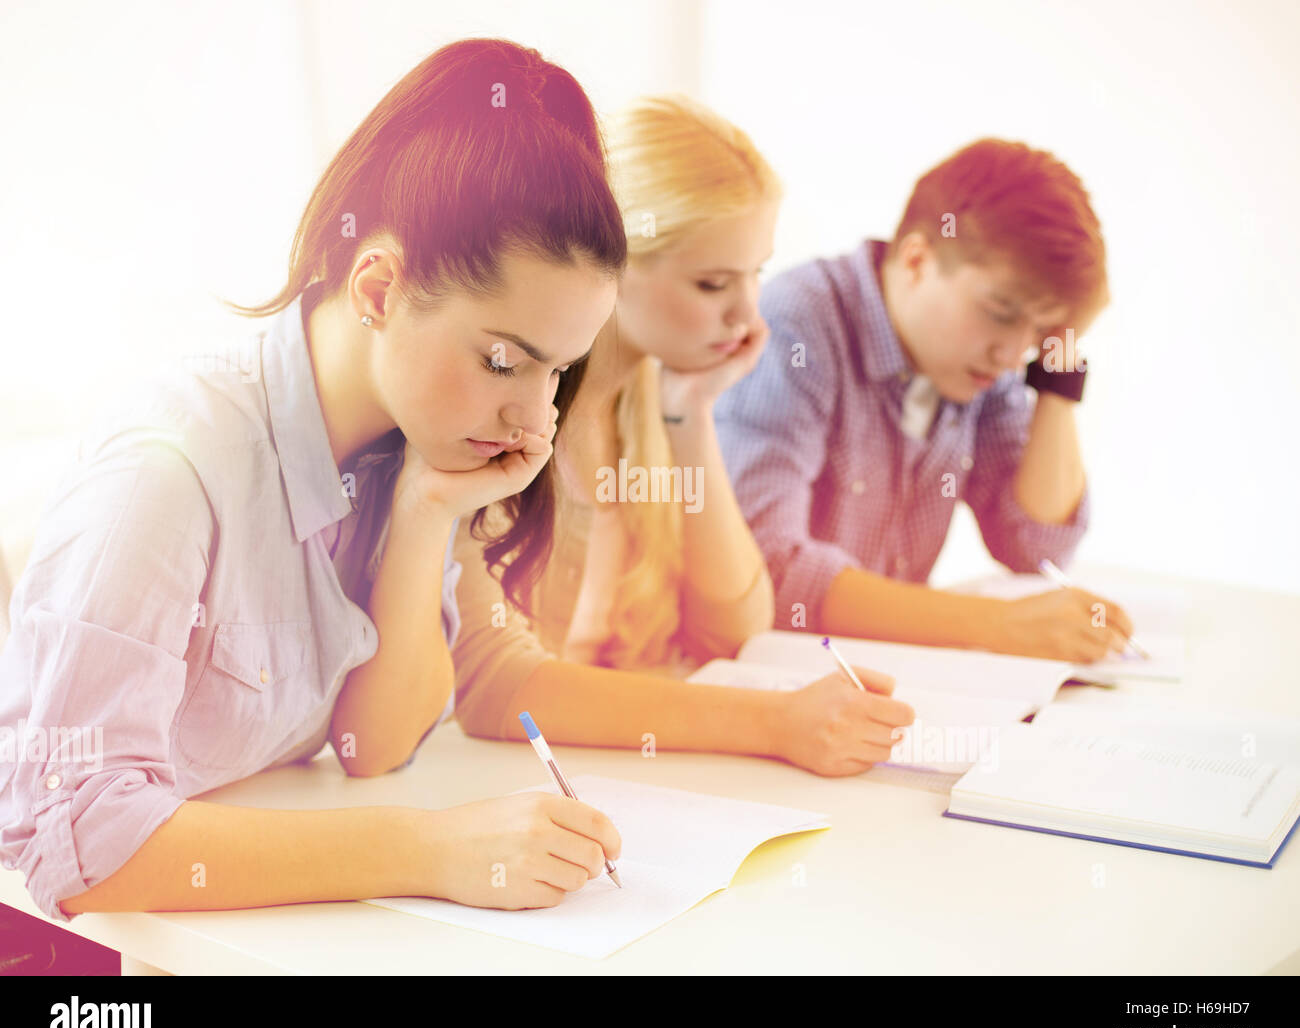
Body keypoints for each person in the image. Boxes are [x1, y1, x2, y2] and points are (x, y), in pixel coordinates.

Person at [0, 38, 627, 924]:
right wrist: (432, 849)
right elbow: (81, 841)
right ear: (377, 287)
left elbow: (370, 744)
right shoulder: (168, 468)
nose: (533, 421)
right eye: (501, 360)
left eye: (556, 374)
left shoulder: (401, 447)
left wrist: (426, 509)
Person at [449, 95, 914, 775]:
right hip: (503, 789)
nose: (748, 315)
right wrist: (775, 723)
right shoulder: (499, 408)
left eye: (756, 274)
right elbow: (493, 688)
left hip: (626, 781)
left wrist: (691, 418)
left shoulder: (651, 399)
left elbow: (731, 632)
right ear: (611, 264)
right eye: (712, 282)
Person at [714, 138, 1135, 663]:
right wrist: (998, 626)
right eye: (1002, 312)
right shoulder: (798, 326)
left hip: (875, 680)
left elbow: (1037, 546)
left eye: (1041, 330)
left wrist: (1060, 361)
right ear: (916, 260)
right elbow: (765, 570)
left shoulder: (980, 366)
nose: (1013, 356)